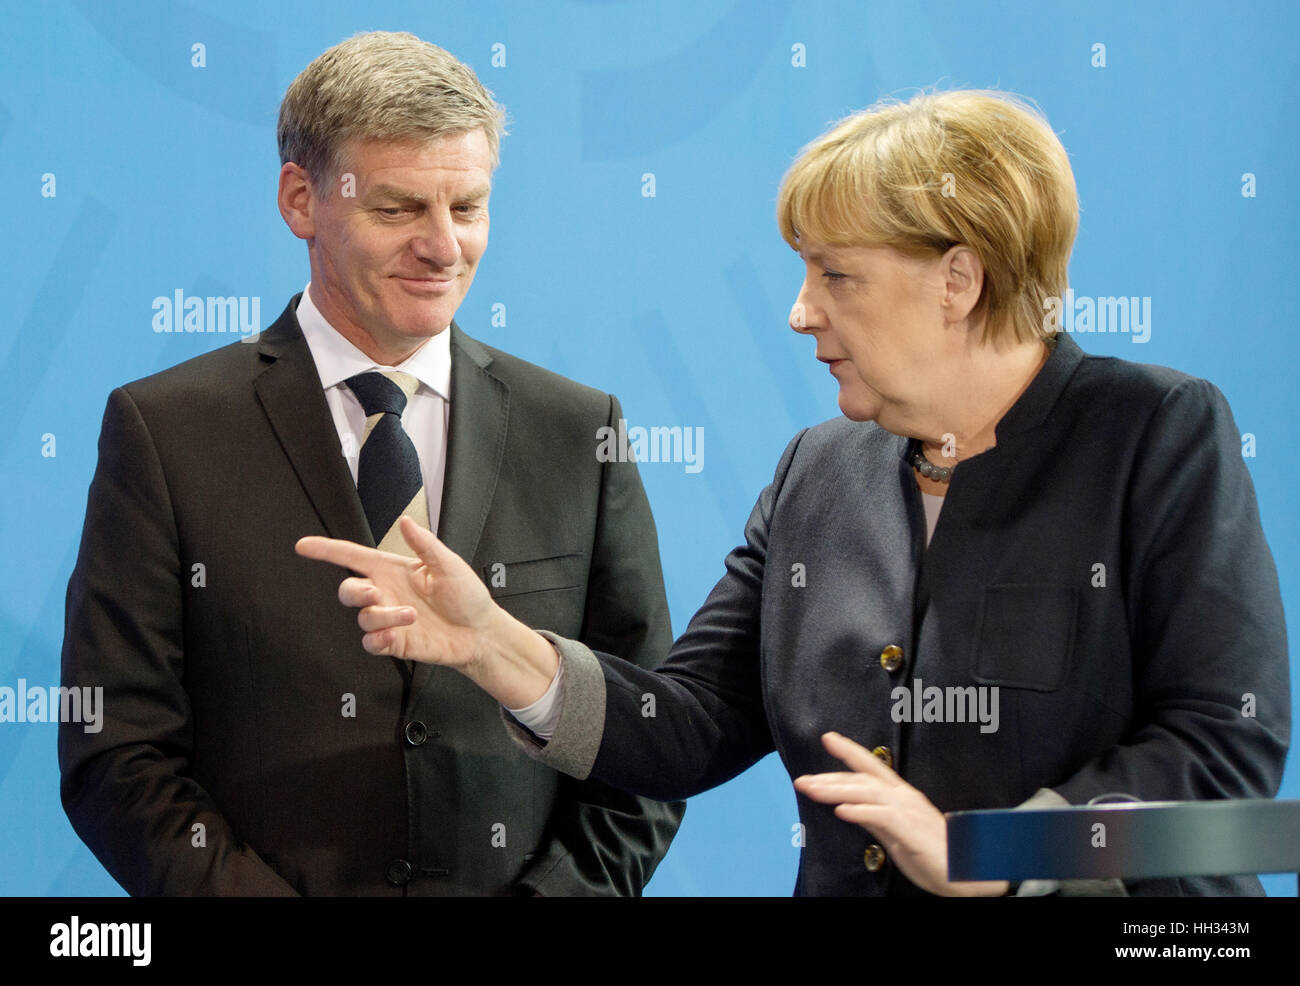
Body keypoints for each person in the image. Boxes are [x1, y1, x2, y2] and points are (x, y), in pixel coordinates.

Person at [296, 89, 1290, 896]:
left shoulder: (1155, 432)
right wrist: (492, 643)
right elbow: (685, 725)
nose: (799, 310)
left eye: (837, 276)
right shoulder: (817, 467)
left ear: (959, 278)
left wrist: (1002, 853)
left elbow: (1225, 756)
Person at [59, 31, 682, 896]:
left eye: (466, 208)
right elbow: (118, 754)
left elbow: (644, 735)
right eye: (398, 209)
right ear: (301, 200)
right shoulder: (165, 430)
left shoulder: (580, 431)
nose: (442, 247)